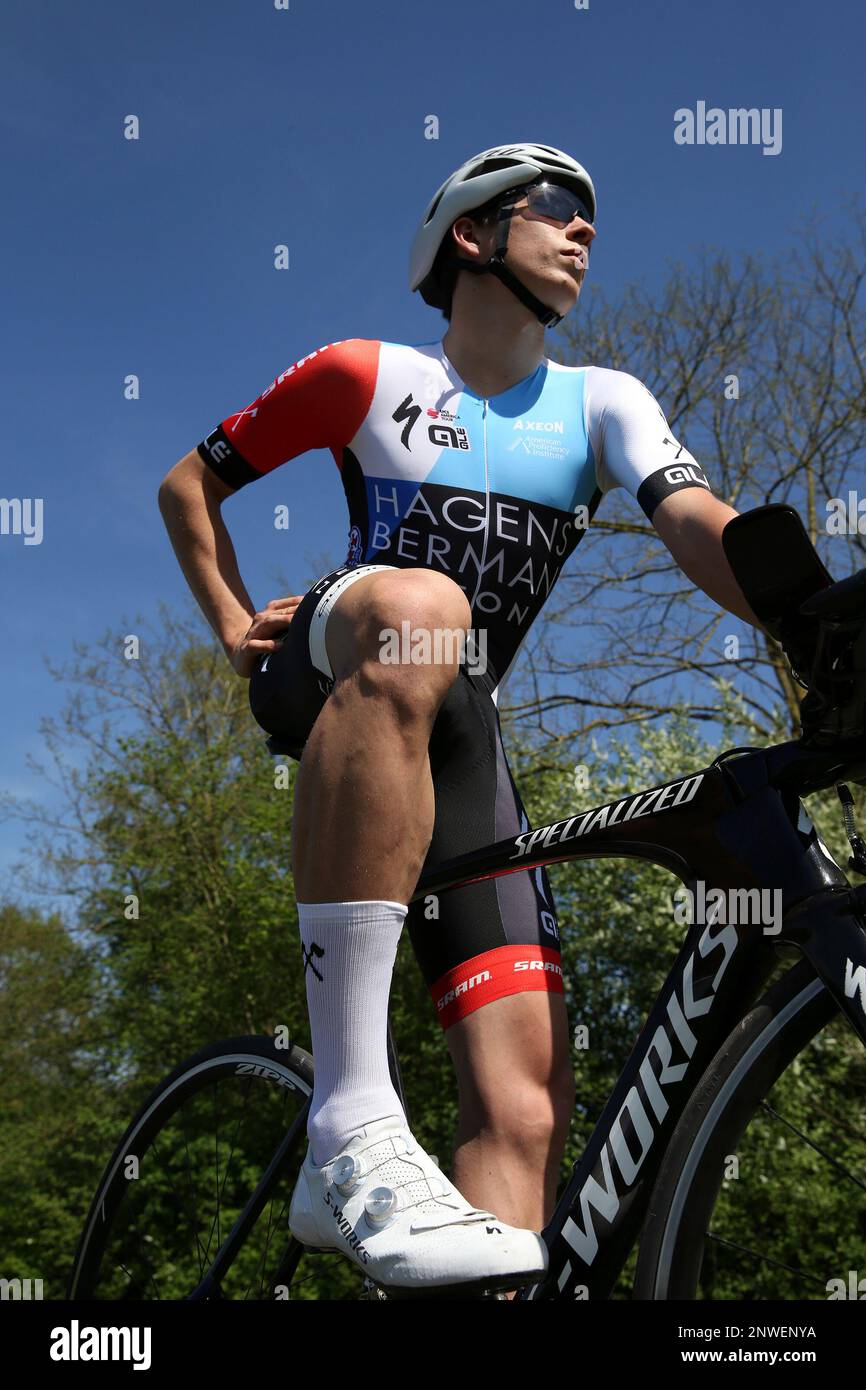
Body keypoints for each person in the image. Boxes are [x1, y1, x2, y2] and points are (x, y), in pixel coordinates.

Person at [158, 142, 760, 1293]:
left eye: (592, 219)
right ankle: (348, 1118)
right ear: (473, 236)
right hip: (342, 662)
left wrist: (802, 603)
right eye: (557, 210)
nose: (584, 231)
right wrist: (234, 622)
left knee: (524, 1101)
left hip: (461, 739)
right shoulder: (362, 374)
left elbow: (696, 524)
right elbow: (190, 484)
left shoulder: (603, 403)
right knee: (426, 607)